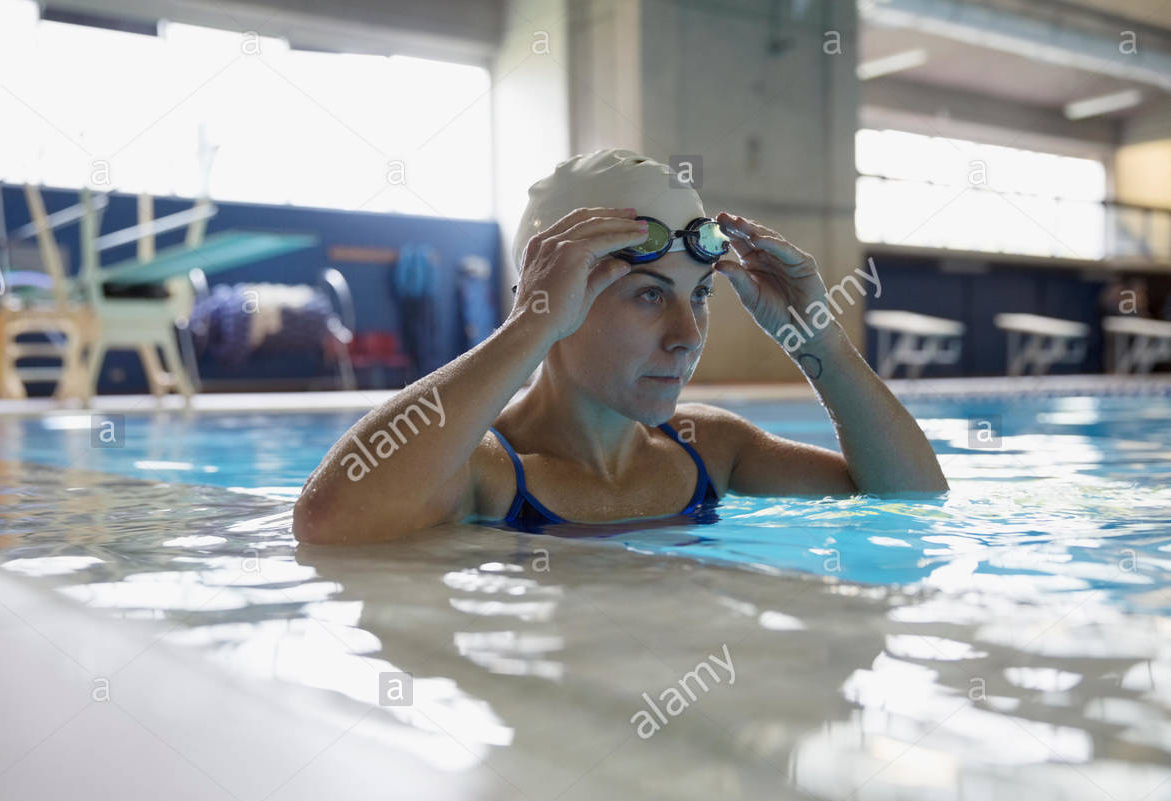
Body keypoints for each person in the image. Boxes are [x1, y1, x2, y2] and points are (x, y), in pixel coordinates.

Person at [293, 148, 947, 544]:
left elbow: (910, 500)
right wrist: (529, 325)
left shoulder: (709, 450)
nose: (687, 338)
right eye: (649, 294)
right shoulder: (488, 472)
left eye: (699, 296)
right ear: (552, 293)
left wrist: (817, 340)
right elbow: (330, 522)